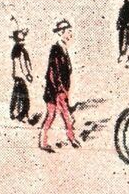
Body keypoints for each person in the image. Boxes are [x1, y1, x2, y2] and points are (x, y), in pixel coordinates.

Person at [40, 20, 79, 151]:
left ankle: (43, 142)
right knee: (65, 116)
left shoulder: (63, 49)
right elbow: (52, 73)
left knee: (53, 115)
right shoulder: (56, 49)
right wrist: (60, 89)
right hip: (56, 91)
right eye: (68, 32)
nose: (70, 34)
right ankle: (71, 139)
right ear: (61, 33)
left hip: (59, 90)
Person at [10, 27, 34, 124]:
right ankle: (22, 116)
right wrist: (27, 74)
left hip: (17, 77)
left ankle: (14, 113)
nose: (24, 39)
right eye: (22, 38)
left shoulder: (17, 49)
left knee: (17, 96)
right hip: (21, 77)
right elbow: (21, 64)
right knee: (24, 98)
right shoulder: (19, 49)